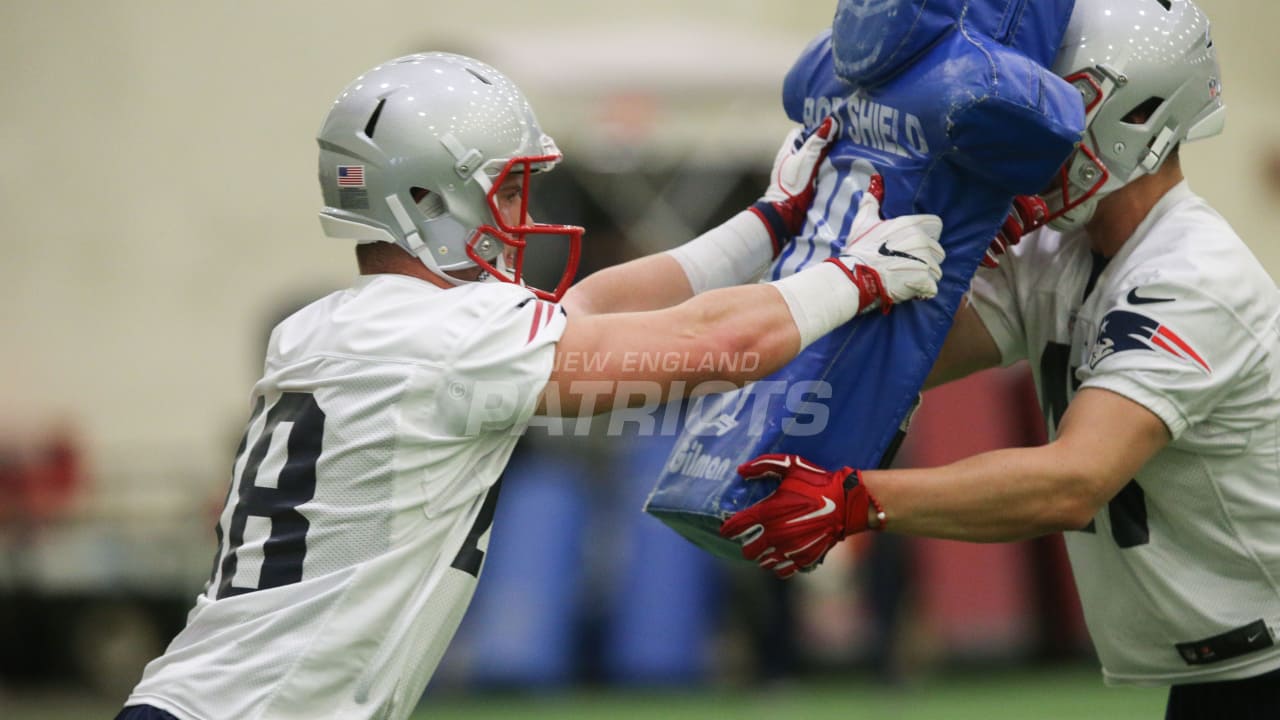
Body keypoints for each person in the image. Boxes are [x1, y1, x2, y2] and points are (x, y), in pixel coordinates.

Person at [114, 51, 944, 720]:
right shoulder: (441, 338)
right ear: (426, 198)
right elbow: (715, 346)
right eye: (506, 186)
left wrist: (767, 222)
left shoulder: (342, 324)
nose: (521, 208)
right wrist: (854, 277)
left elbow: (583, 310)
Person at [720, 1, 1280, 716]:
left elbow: (1074, 480)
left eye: (1047, 104)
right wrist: (882, 246)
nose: (1023, 131)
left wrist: (857, 500)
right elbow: (903, 359)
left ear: (1135, 114)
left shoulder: (1193, 275)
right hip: (1223, 668)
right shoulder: (1061, 251)